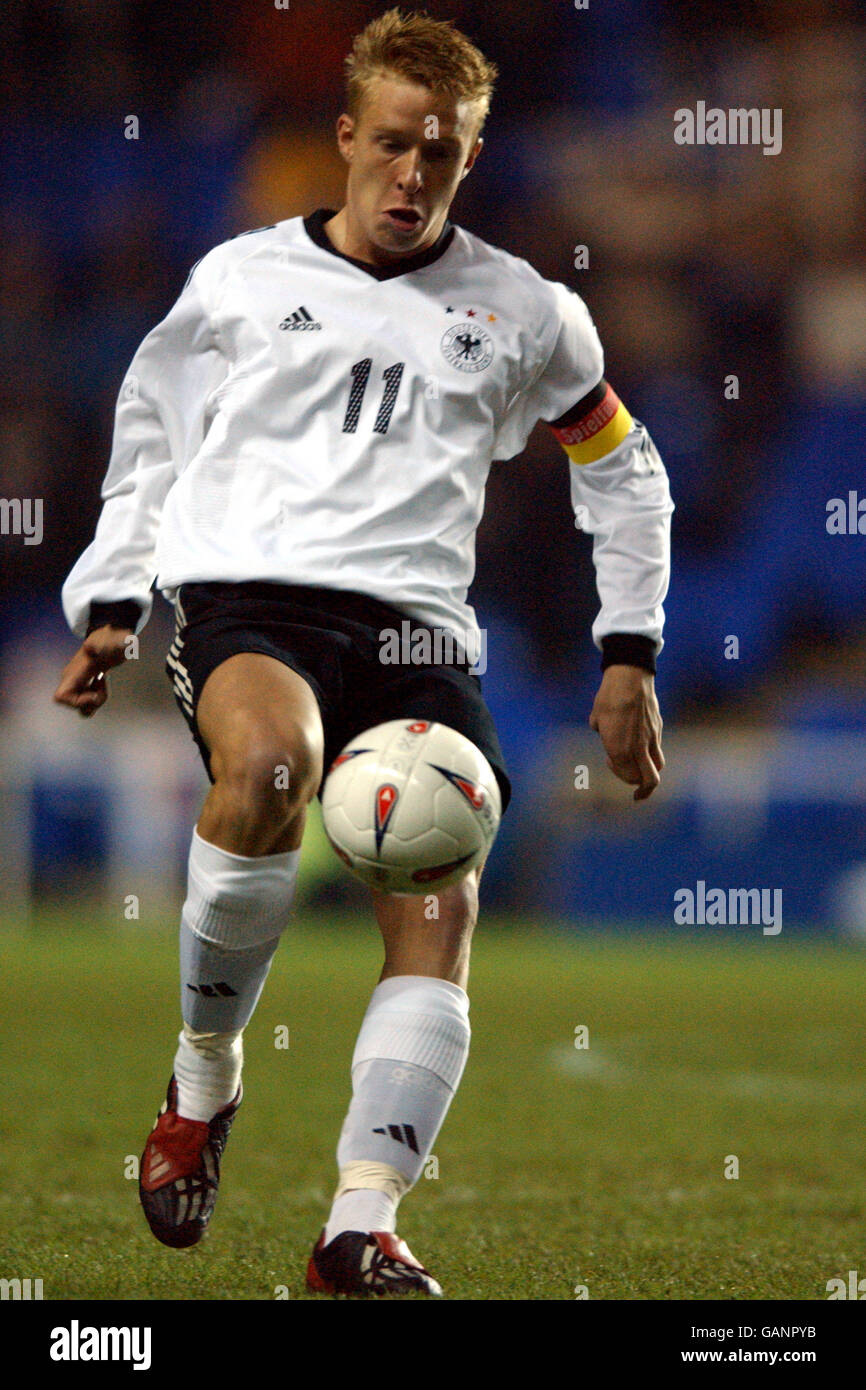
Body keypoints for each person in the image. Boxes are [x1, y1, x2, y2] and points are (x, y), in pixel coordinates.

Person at [54, 8, 672, 1296]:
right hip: (250, 602)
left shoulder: (530, 314)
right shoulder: (238, 279)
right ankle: (205, 1074)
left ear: (470, 159)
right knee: (270, 769)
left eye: (437, 157)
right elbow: (152, 429)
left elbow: (625, 472)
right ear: (345, 136)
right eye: (388, 146)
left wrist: (631, 650)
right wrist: (112, 596)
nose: (409, 176)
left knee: (439, 904)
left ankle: (360, 1223)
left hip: (419, 639)